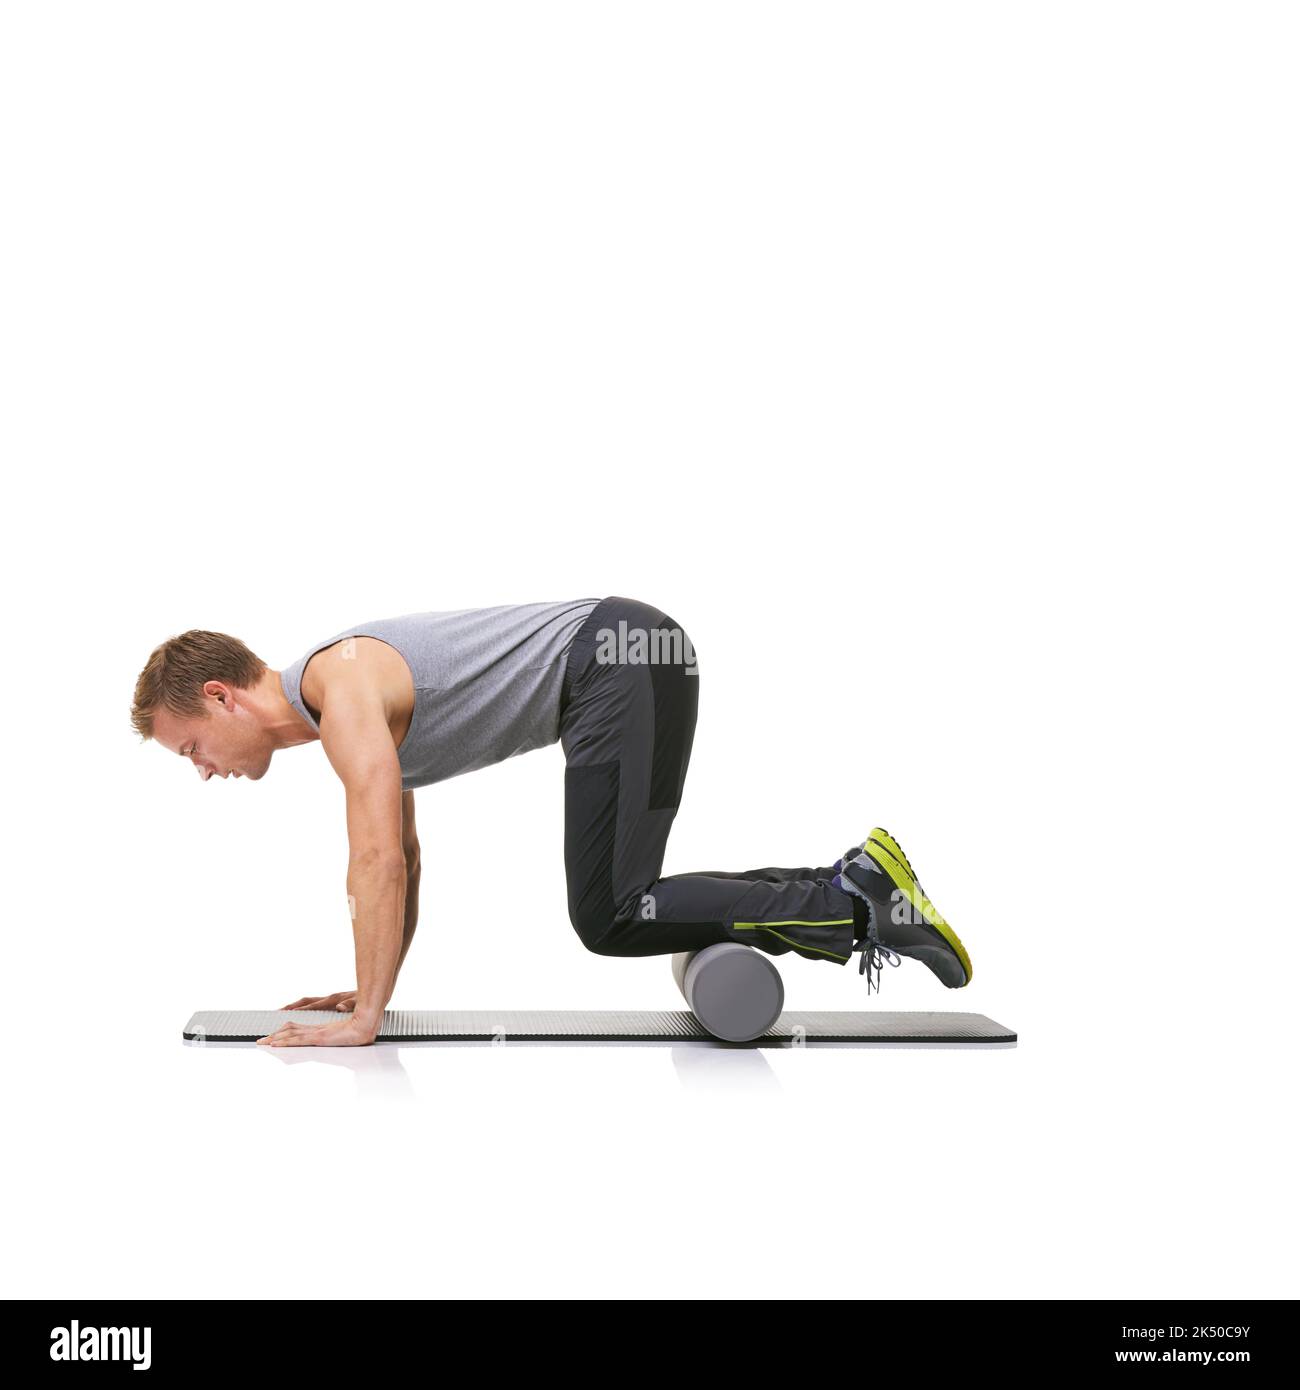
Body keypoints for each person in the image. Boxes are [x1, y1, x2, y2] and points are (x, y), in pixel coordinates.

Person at [130, 596, 972, 1047]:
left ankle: (855, 899)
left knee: (607, 913)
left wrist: (364, 1024)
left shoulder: (340, 692)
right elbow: (408, 861)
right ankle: (857, 895)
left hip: (616, 657)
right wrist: (373, 990)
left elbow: (376, 859)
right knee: (619, 905)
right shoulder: (347, 712)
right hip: (634, 653)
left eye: (192, 748)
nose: (203, 769)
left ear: (220, 695)